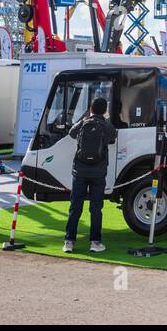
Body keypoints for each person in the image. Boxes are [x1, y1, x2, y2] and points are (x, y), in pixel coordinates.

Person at [62, 96, 117, 254]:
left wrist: (84, 118)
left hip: (80, 170)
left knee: (75, 207)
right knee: (96, 208)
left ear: (91, 109)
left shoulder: (84, 123)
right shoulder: (106, 125)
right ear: (105, 110)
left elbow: (71, 133)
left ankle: (69, 241)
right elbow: (113, 136)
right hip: (98, 172)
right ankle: (95, 242)